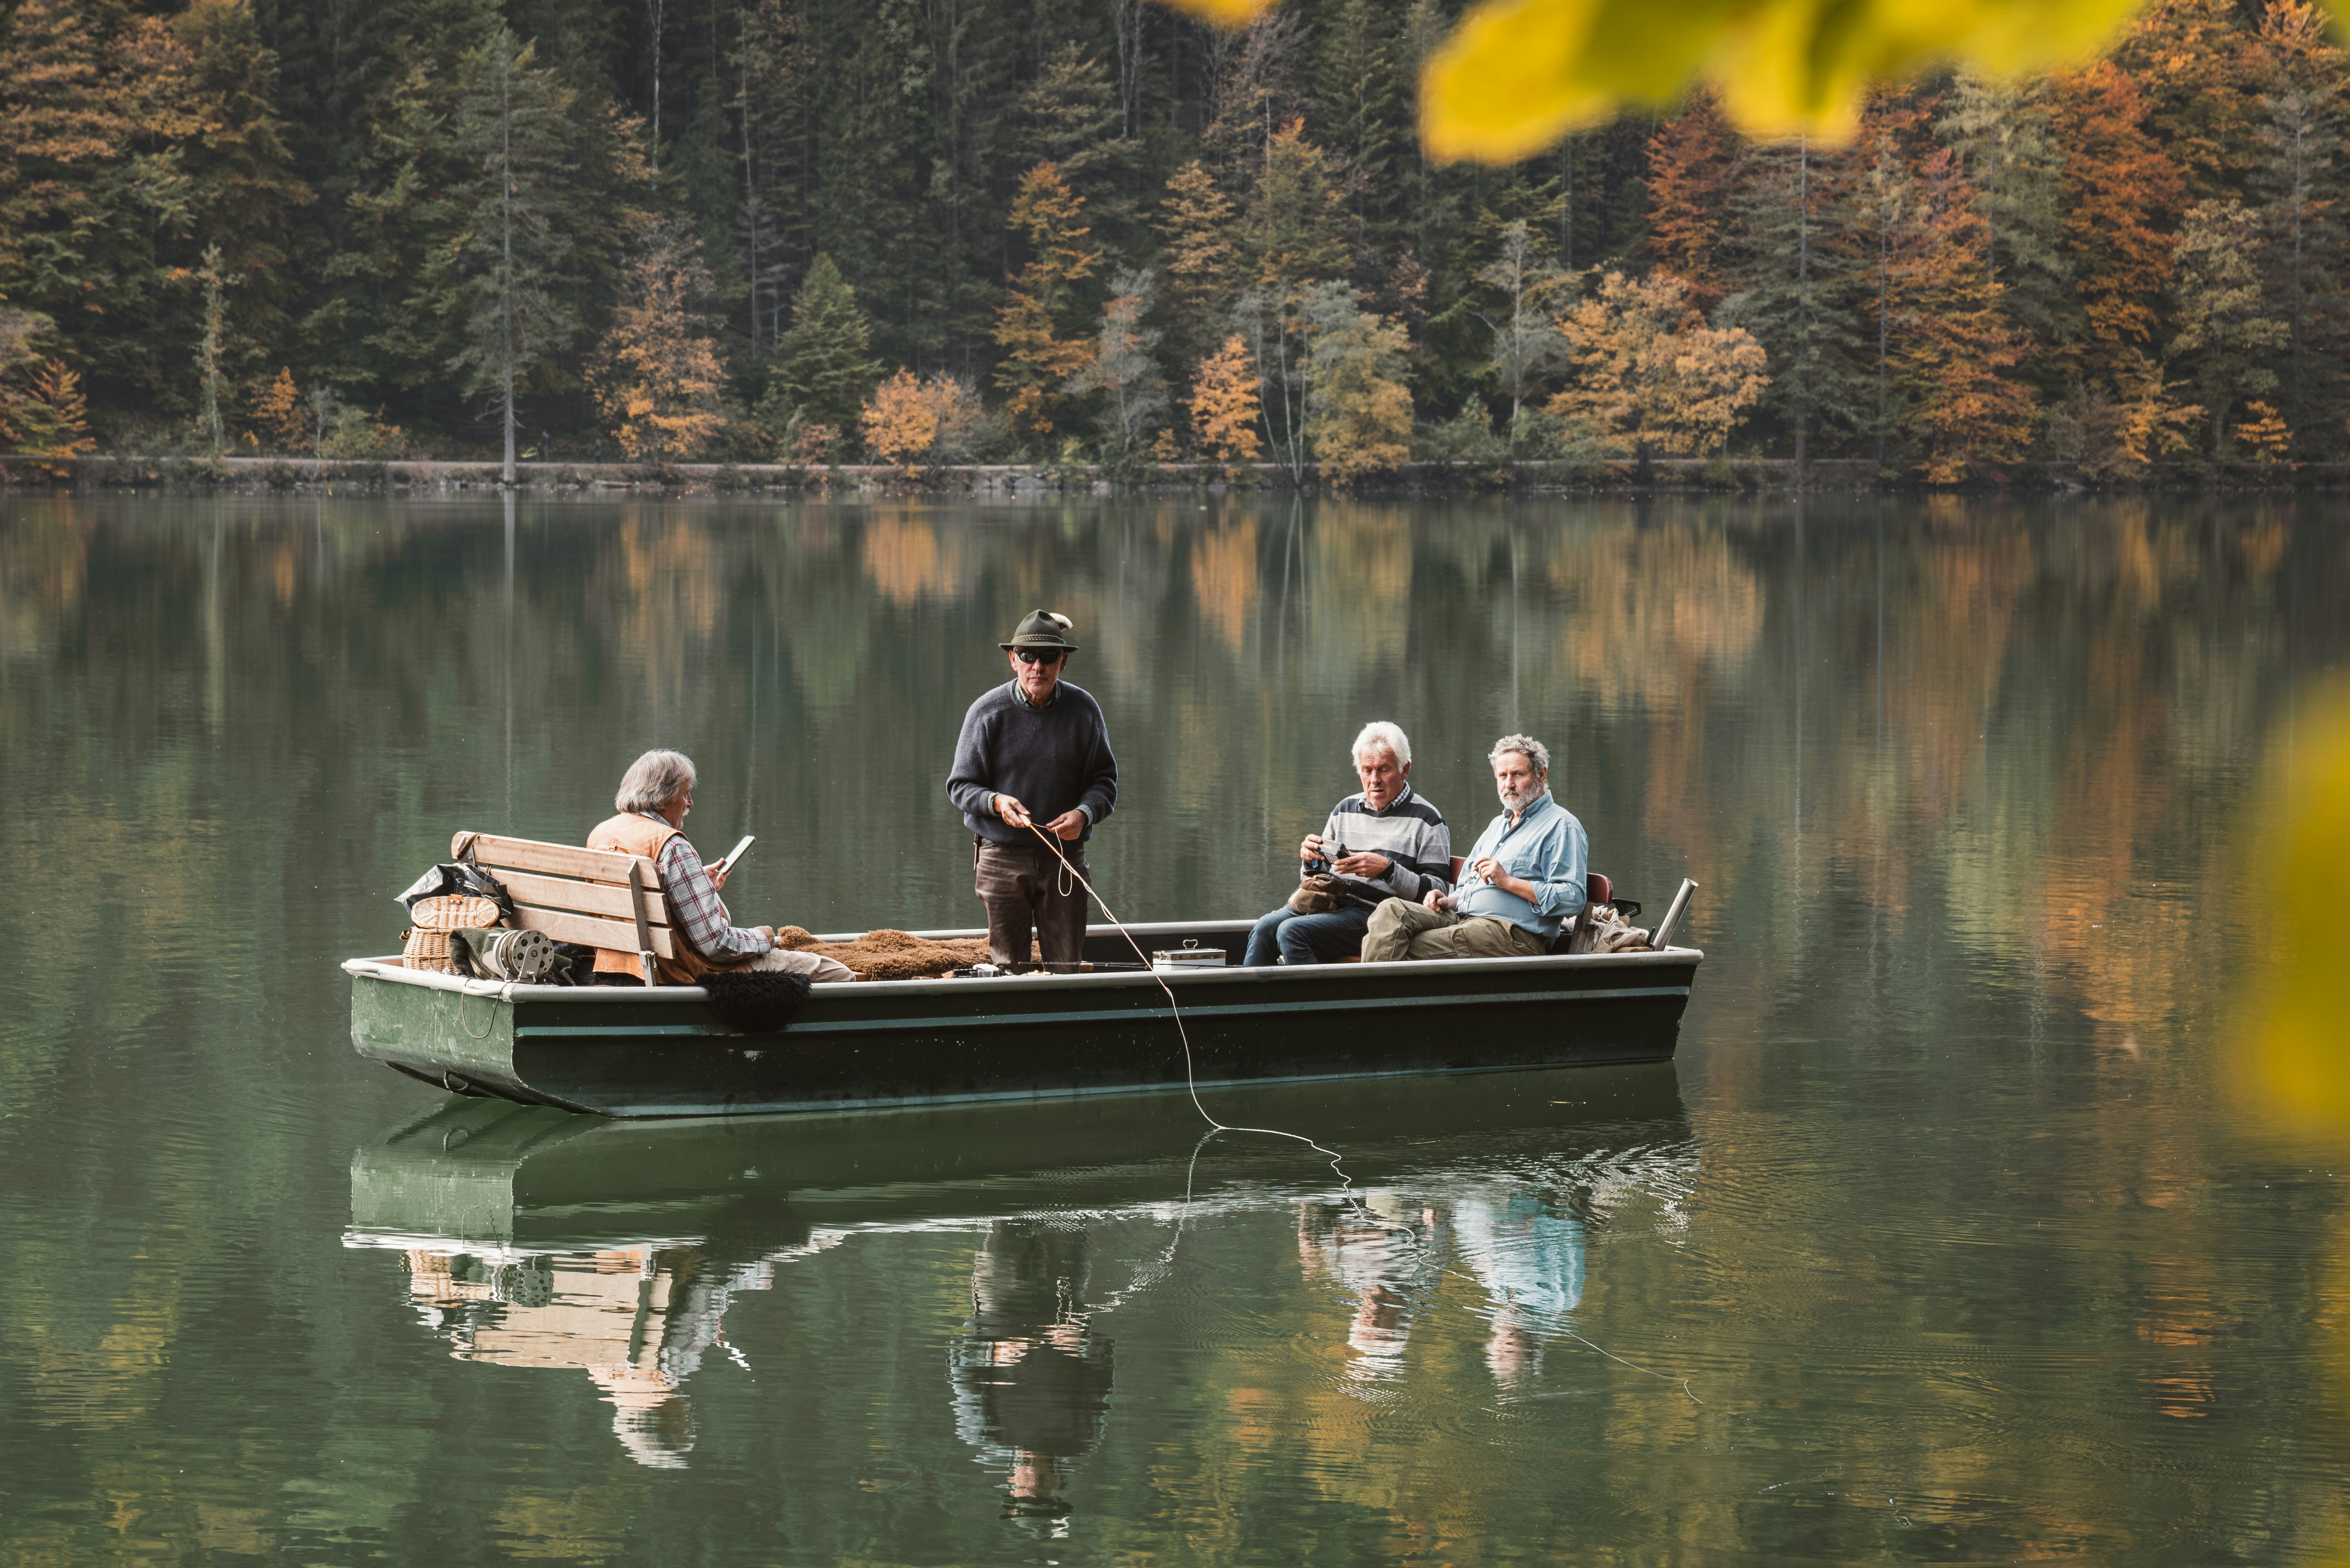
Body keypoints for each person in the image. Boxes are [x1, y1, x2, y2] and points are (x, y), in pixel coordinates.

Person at [586, 749, 854, 984]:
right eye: (686, 794)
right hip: (678, 971)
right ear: (664, 798)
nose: (690, 803)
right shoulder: (672, 846)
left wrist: (698, 886)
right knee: (839, 974)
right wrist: (764, 937)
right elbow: (716, 945)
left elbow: (634, 905)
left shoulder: (603, 833)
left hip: (623, 963)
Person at [945, 610, 1119, 968]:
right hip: (1000, 857)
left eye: (1048, 657)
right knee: (1007, 966)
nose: (1037, 666)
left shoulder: (1084, 710)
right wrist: (995, 802)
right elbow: (960, 786)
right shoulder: (986, 712)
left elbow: (1104, 782)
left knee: (1067, 966)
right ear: (1013, 660)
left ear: (1063, 661)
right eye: (1027, 657)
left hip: (1064, 857)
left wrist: (1083, 813)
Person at [1360, 734, 1586, 962]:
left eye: (1518, 774)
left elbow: (1573, 898)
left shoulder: (1562, 826)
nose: (1509, 784)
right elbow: (1468, 884)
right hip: (1464, 917)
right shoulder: (1498, 825)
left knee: (1408, 946)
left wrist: (1508, 882)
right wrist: (1447, 901)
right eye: (1502, 776)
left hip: (1514, 934)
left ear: (1541, 774)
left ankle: (1365, 996)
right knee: (1391, 912)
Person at [1243, 722, 1451, 966]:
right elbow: (1318, 877)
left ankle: (1314, 1003)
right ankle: (1248, 1002)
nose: (1375, 780)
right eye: (1367, 770)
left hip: (1379, 916)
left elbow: (1439, 892)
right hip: (1332, 904)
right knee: (1264, 928)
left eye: (1384, 770)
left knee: (1292, 932)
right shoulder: (1345, 810)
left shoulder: (1428, 820)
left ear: (1405, 769)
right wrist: (1311, 859)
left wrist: (1388, 870)